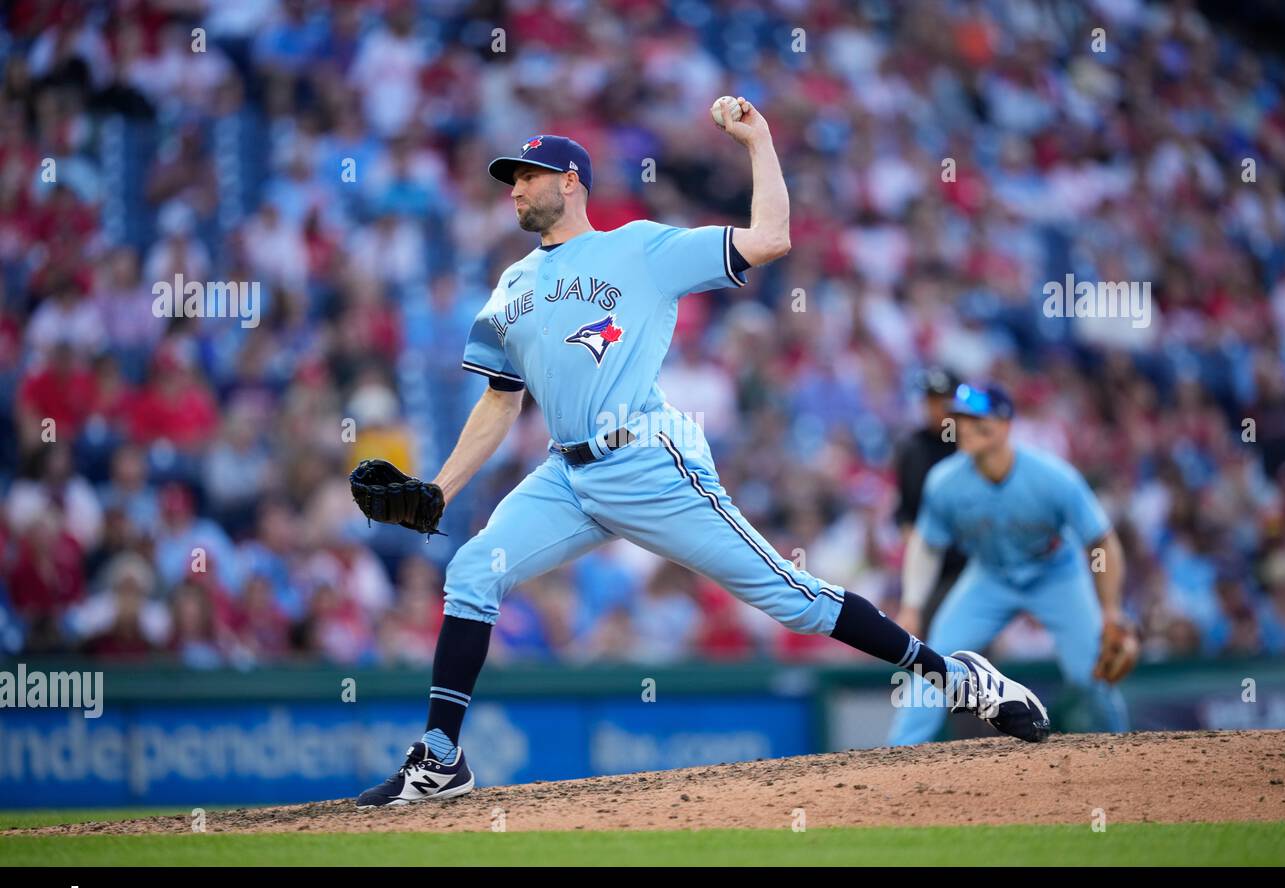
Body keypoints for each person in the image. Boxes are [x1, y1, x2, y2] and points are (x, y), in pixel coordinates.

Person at [357, 101, 1050, 808]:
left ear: (571, 181)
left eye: (527, 175)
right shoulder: (510, 286)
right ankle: (441, 761)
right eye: (510, 179)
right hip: (565, 475)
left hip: (648, 463)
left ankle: (957, 676)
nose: (514, 188)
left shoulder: (640, 248)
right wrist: (439, 488)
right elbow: (500, 402)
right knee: (474, 568)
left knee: (793, 598)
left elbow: (772, 237)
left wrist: (759, 141)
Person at [887, 383, 1131, 747]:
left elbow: (1101, 540)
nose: (964, 427)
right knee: (934, 662)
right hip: (989, 576)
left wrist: (1110, 610)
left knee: (1092, 674)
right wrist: (911, 604)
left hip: (1055, 573)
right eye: (961, 419)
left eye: (975, 419)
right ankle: (898, 754)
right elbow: (927, 546)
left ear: (1004, 425)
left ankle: (1127, 754)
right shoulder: (945, 482)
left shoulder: (1052, 477)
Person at [893, 367, 965, 637]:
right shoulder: (912, 448)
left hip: (970, 562)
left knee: (973, 651)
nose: (935, 408)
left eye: (942, 400)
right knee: (926, 643)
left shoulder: (970, 444)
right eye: (929, 401)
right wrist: (910, 535)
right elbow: (904, 509)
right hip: (929, 561)